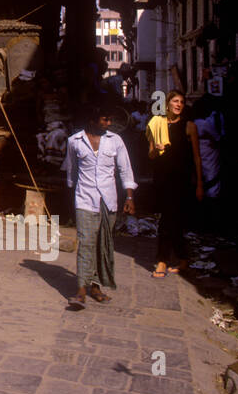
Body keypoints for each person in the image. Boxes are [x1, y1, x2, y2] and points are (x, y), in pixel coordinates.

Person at [66, 108, 137, 305]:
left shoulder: (115, 141)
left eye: (110, 120)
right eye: (105, 119)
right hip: (84, 200)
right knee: (86, 242)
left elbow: (125, 170)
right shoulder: (75, 142)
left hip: (108, 201)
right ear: (92, 120)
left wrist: (129, 197)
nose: (108, 124)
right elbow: (71, 172)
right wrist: (70, 197)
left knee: (102, 244)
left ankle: (95, 287)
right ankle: (81, 289)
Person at [147, 90, 202, 277]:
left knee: (168, 220)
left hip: (181, 181)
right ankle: (183, 259)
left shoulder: (189, 126)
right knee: (172, 219)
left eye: (182, 102)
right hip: (162, 179)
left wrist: (200, 183)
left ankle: (162, 260)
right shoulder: (157, 124)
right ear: (167, 104)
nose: (179, 105)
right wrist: (157, 148)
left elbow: (196, 157)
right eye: (175, 101)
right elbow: (151, 154)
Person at [191, 94, 224, 227]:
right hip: (209, 157)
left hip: (199, 157)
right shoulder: (204, 124)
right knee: (212, 186)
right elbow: (218, 138)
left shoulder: (192, 124)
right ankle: (210, 220)